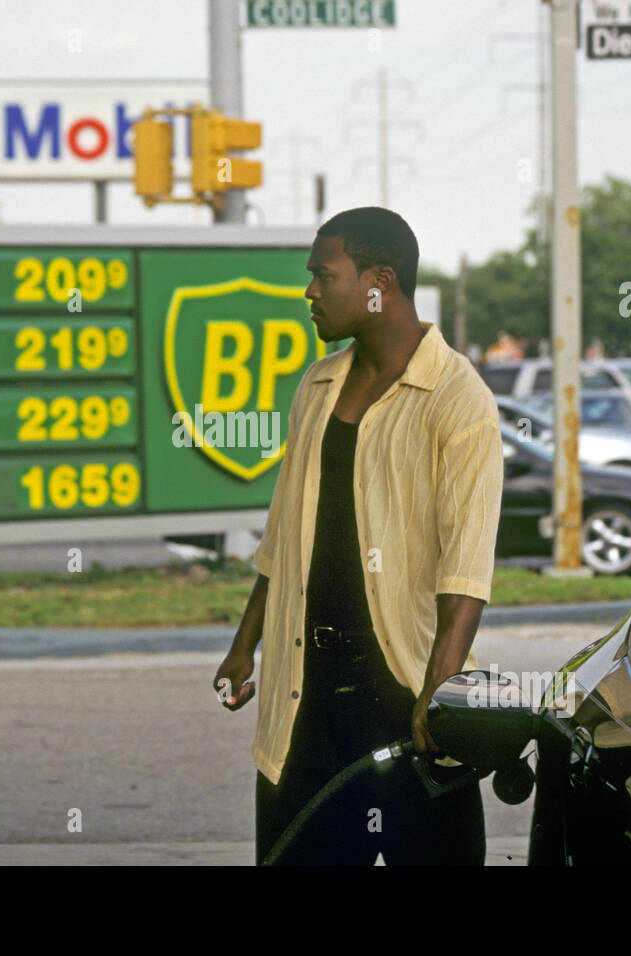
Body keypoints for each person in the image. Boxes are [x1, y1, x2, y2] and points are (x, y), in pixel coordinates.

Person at [212, 207, 504, 865]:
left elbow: (467, 565)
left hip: (407, 696)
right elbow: (285, 532)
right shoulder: (317, 387)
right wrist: (245, 644)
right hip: (306, 692)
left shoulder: (458, 398)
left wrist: (441, 687)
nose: (309, 291)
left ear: (379, 282)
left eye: (323, 274)